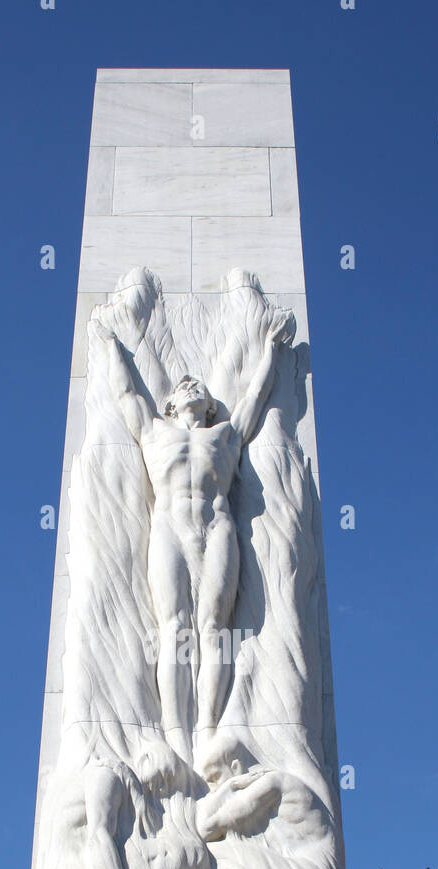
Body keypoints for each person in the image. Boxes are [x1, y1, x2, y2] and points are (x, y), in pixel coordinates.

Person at [89, 313, 291, 767]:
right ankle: (176, 735)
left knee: (213, 631)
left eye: (198, 386)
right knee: (175, 630)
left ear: (210, 405)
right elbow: (126, 393)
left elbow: (256, 399)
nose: (192, 385)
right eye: (184, 387)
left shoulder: (226, 434)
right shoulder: (154, 432)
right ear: (171, 405)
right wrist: (108, 346)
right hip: (170, 531)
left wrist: (273, 353)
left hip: (217, 527)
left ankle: (207, 731)